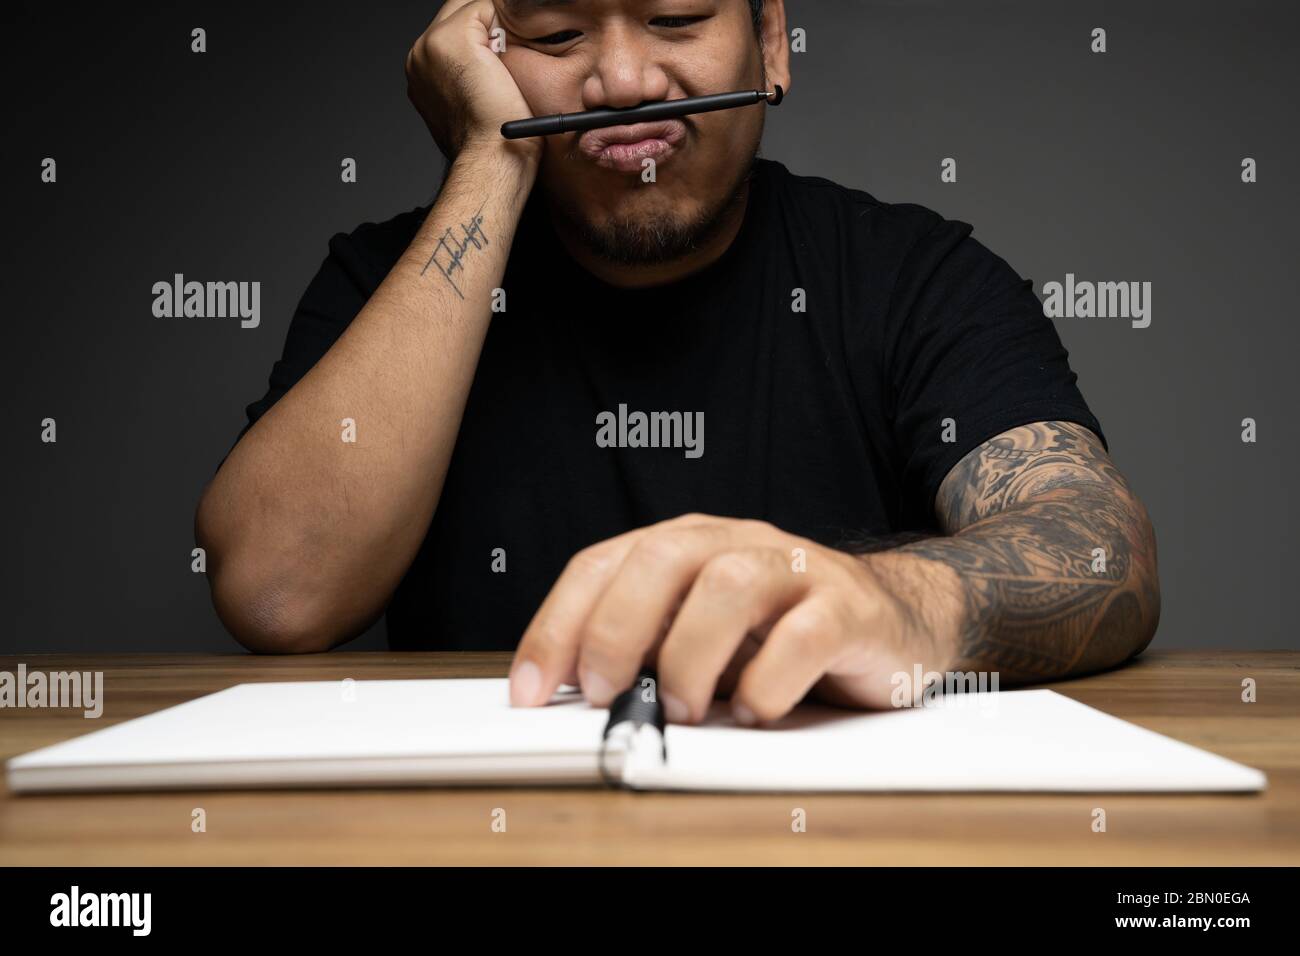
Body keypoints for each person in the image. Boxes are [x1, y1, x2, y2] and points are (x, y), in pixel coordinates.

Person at [195, 0, 1159, 726]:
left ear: (770, 44)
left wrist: (899, 602)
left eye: (677, 17)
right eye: (556, 34)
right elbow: (278, 592)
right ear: (480, 52)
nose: (623, 81)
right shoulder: (383, 282)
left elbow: (1099, 549)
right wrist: (490, 158)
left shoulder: (916, 277)